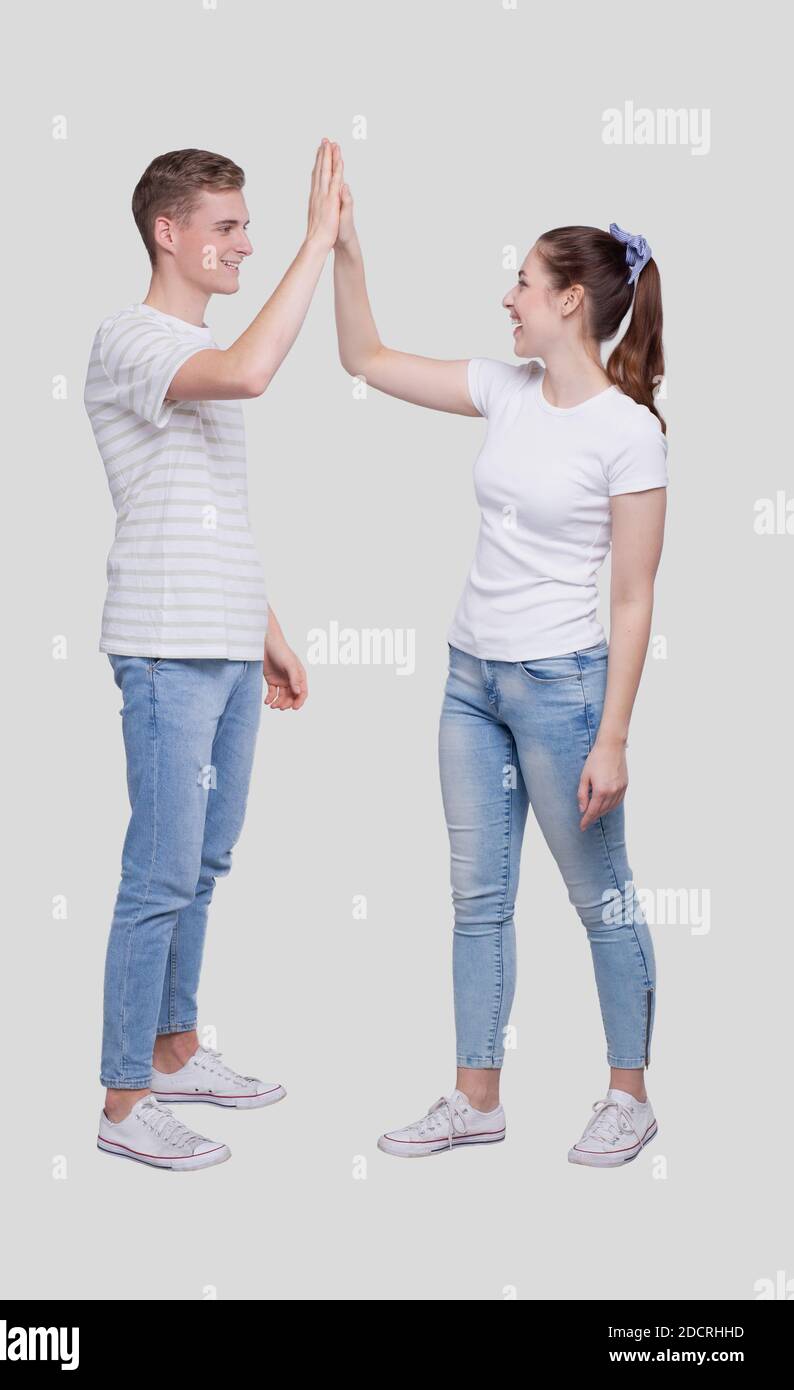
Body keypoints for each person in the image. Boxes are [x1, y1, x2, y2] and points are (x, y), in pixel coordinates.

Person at [332, 151, 667, 1168]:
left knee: (597, 897)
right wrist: (345, 249)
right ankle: (475, 1095)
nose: (505, 297)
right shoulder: (505, 390)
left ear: (569, 302)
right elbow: (366, 359)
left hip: (563, 692)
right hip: (469, 681)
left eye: (521, 282)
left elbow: (633, 595)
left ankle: (627, 1092)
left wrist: (611, 737)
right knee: (475, 898)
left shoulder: (629, 433)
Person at [85, 140, 343, 1171]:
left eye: (250, 225)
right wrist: (322, 239)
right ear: (170, 233)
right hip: (163, 650)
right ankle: (120, 1102)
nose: (245, 242)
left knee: (202, 862)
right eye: (228, 226)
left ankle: (176, 1049)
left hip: (225, 644)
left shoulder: (187, 352)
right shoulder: (130, 339)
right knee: (157, 874)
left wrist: (267, 634)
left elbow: (209, 519)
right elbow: (247, 372)